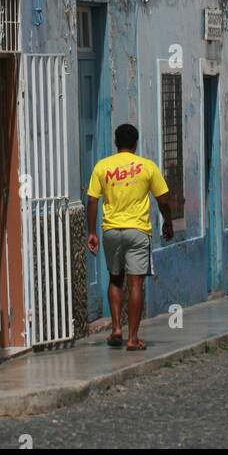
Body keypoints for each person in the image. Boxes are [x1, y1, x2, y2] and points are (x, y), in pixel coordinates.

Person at [86, 123, 173, 352]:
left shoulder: (102, 167)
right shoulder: (147, 167)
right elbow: (163, 199)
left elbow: (93, 200)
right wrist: (168, 223)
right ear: (136, 143)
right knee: (136, 283)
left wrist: (92, 232)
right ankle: (133, 338)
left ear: (116, 143)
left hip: (111, 231)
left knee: (115, 279)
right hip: (138, 231)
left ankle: (116, 329)